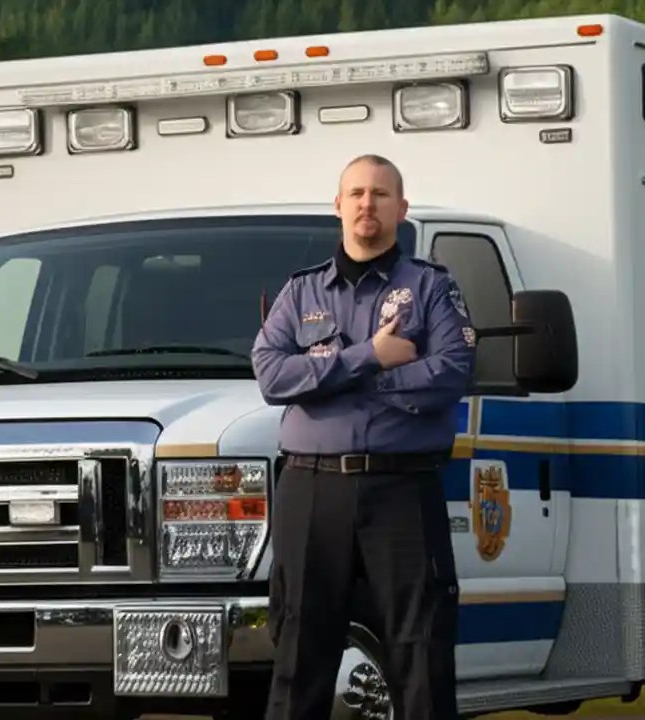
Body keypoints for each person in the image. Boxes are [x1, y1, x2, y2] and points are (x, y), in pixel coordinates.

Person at [250, 153, 477, 720]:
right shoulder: (301, 293)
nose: (366, 204)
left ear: (402, 208)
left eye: (379, 194)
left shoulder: (430, 289)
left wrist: (334, 379)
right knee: (300, 647)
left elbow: (451, 371)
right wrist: (368, 357)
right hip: (310, 486)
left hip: (400, 488)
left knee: (419, 648)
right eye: (355, 193)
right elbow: (271, 375)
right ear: (337, 206)